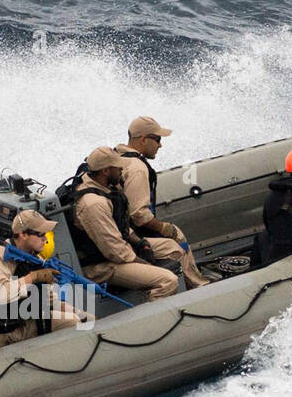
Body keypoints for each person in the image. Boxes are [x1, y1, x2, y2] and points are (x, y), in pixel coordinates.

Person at [0, 209, 84, 351]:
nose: (45, 239)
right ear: (23, 234)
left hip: (25, 320)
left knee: (81, 321)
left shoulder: (33, 258)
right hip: (0, 332)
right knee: (74, 323)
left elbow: (50, 298)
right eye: (40, 234)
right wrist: (32, 277)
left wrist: (78, 313)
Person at [70, 147, 178, 300]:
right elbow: (114, 250)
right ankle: (154, 317)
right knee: (168, 280)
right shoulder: (93, 204)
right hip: (101, 266)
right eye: (117, 166)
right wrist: (144, 263)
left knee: (172, 248)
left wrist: (140, 242)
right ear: (106, 171)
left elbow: (120, 224)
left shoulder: (106, 189)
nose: (122, 168)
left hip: (118, 251)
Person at [114, 116, 209, 287]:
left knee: (176, 233)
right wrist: (164, 228)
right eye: (157, 139)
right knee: (175, 245)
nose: (160, 145)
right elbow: (139, 214)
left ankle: (196, 281)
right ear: (143, 140)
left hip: (122, 229)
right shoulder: (137, 168)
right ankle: (197, 287)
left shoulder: (118, 155)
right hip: (125, 236)